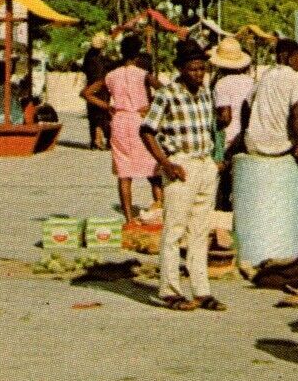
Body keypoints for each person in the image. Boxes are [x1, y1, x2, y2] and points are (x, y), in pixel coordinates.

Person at [140, 39, 223, 311]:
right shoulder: (168, 94)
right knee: (174, 230)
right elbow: (147, 130)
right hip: (181, 164)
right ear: (180, 69)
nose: (198, 74)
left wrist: (215, 160)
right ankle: (170, 290)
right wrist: (164, 163)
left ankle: (201, 289)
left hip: (204, 164)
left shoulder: (206, 92)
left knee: (200, 231)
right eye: (193, 69)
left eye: (202, 69)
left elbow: (211, 129)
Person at [83, 35, 162, 223]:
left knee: (124, 174)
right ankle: (160, 207)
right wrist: (152, 107)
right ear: (137, 54)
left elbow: (86, 93)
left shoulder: (111, 75)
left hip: (119, 121)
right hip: (140, 121)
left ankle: (128, 219)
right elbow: (165, 91)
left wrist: (107, 106)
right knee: (154, 169)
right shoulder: (143, 74)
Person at [244, 38, 298, 169]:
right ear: (290, 59)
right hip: (279, 147)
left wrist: (245, 133)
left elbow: (246, 105)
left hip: (252, 144)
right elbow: (295, 113)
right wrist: (297, 146)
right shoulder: (297, 78)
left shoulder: (266, 74)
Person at [208, 36, 254, 213]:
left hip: (229, 138)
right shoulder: (250, 81)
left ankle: (224, 218)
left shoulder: (221, 84)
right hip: (247, 137)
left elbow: (225, 117)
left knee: (226, 183)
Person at [81, 33, 112, 150]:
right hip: (101, 88)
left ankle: (96, 139)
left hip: (90, 87)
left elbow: (84, 70)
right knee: (102, 114)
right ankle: (101, 139)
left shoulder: (88, 57)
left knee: (93, 115)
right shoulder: (102, 59)